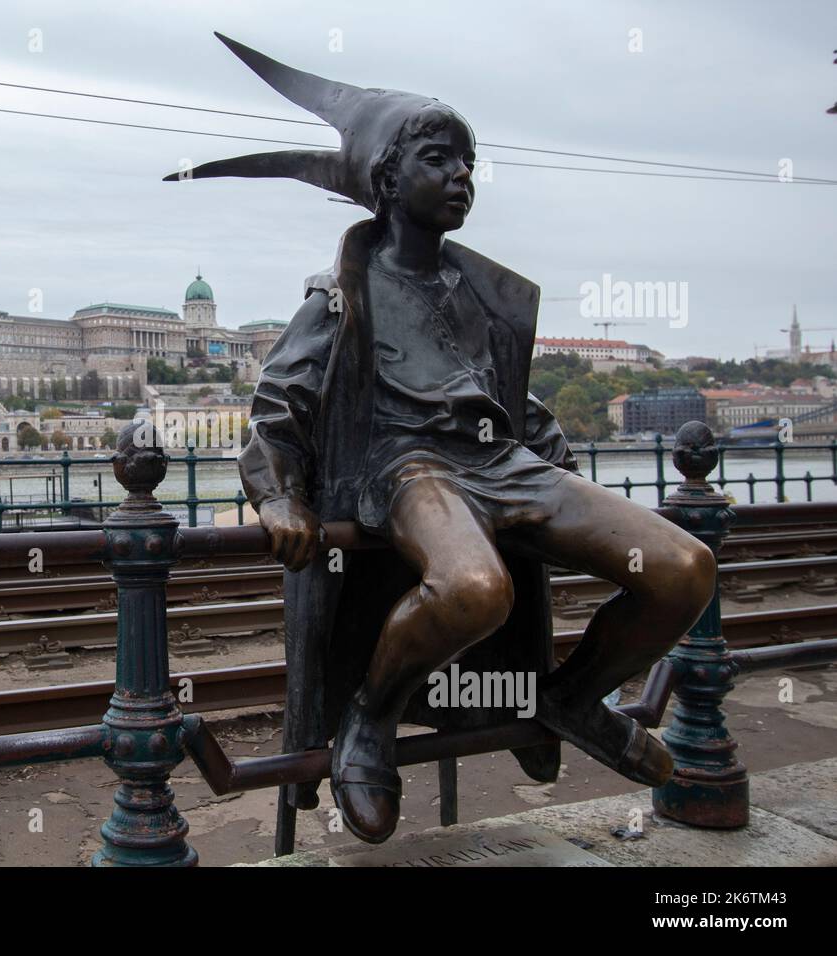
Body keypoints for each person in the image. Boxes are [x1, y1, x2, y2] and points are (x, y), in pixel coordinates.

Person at [168, 34, 717, 844]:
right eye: (439, 159)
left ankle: (570, 697)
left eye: (469, 162)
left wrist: (561, 476)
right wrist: (278, 496)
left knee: (683, 569)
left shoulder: (483, 296)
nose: (462, 177)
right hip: (407, 466)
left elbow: (516, 406)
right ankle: (370, 718)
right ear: (388, 179)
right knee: (473, 589)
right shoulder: (341, 294)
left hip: (503, 465)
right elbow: (278, 404)